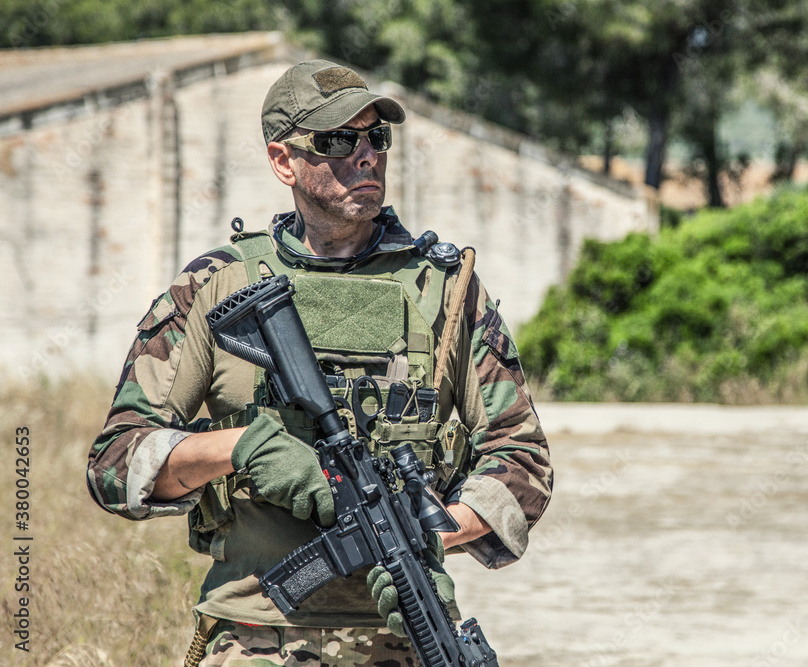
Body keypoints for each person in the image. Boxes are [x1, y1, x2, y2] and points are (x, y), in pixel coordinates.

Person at [86, 59, 553, 666]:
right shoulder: (217, 287)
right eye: (337, 141)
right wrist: (242, 447)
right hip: (256, 636)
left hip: (406, 640)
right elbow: (115, 462)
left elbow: (523, 461)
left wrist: (433, 529)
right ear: (284, 161)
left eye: (375, 137)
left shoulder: (446, 289)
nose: (367, 156)